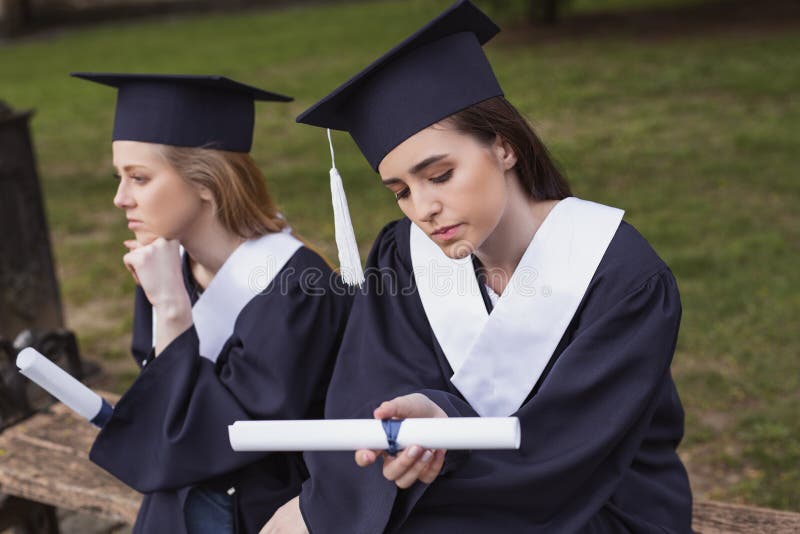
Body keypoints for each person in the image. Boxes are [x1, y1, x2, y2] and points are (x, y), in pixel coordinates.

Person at [263, 1, 693, 532]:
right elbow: (366, 398)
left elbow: (566, 452)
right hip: (450, 489)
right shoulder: (404, 255)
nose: (423, 208)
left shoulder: (621, 275)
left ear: (504, 148)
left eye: (439, 175)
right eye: (400, 191)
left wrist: (448, 431)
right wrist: (422, 421)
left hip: (592, 502)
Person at [71, 73, 352, 534]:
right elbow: (159, 413)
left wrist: (174, 312)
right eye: (120, 177)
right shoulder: (170, 266)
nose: (120, 199)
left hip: (264, 513)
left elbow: (221, 437)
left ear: (206, 182)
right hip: (174, 505)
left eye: (139, 178)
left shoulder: (298, 288)